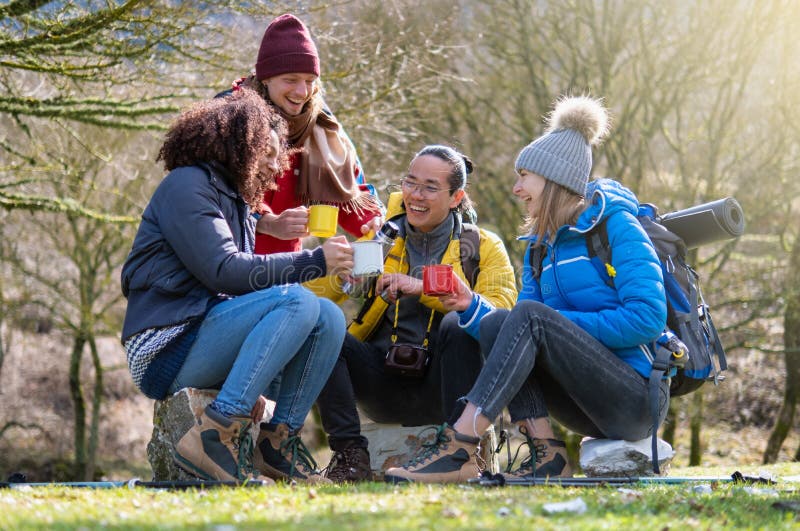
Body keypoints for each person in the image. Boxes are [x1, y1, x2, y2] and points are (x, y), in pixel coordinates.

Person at [384, 96, 669, 484]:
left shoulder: (617, 227)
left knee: (529, 318)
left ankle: (461, 442)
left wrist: (553, 326)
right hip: (579, 399)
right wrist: (469, 306)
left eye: (524, 176)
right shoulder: (540, 246)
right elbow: (517, 330)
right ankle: (546, 453)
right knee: (495, 324)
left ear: (553, 180)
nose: (516, 188)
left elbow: (648, 319)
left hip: (634, 399)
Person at [120, 89, 353, 484]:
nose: (276, 167)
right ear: (239, 145)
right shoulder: (187, 186)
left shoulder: (236, 200)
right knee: (296, 301)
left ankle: (275, 443)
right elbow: (224, 271)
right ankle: (214, 432)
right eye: (268, 153)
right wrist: (314, 262)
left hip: (204, 332)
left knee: (328, 316)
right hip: (166, 348)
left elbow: (239, 291)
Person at [309, 145, 517, 482]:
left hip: (450, 391)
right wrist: (339, 274)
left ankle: (459, 450)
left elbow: (502, 319)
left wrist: (423, 288)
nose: (415, 195)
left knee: (458, 323)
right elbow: (312, 301)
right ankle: (350, 456)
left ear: (456, 196)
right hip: (381, 382)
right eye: (410, 182)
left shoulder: (483, 246)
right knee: (322, 326)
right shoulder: (382, 236)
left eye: (430, 187)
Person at [229, 13, 383, 254]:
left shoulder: (324, 127)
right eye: (291, 79)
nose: (302, 92)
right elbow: (211, 198)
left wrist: (374, 220)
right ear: (266, 78)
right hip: (230, 267)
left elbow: (351, 191)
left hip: (288, 271)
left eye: (310, 80)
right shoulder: (230, 119)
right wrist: (267, 223)